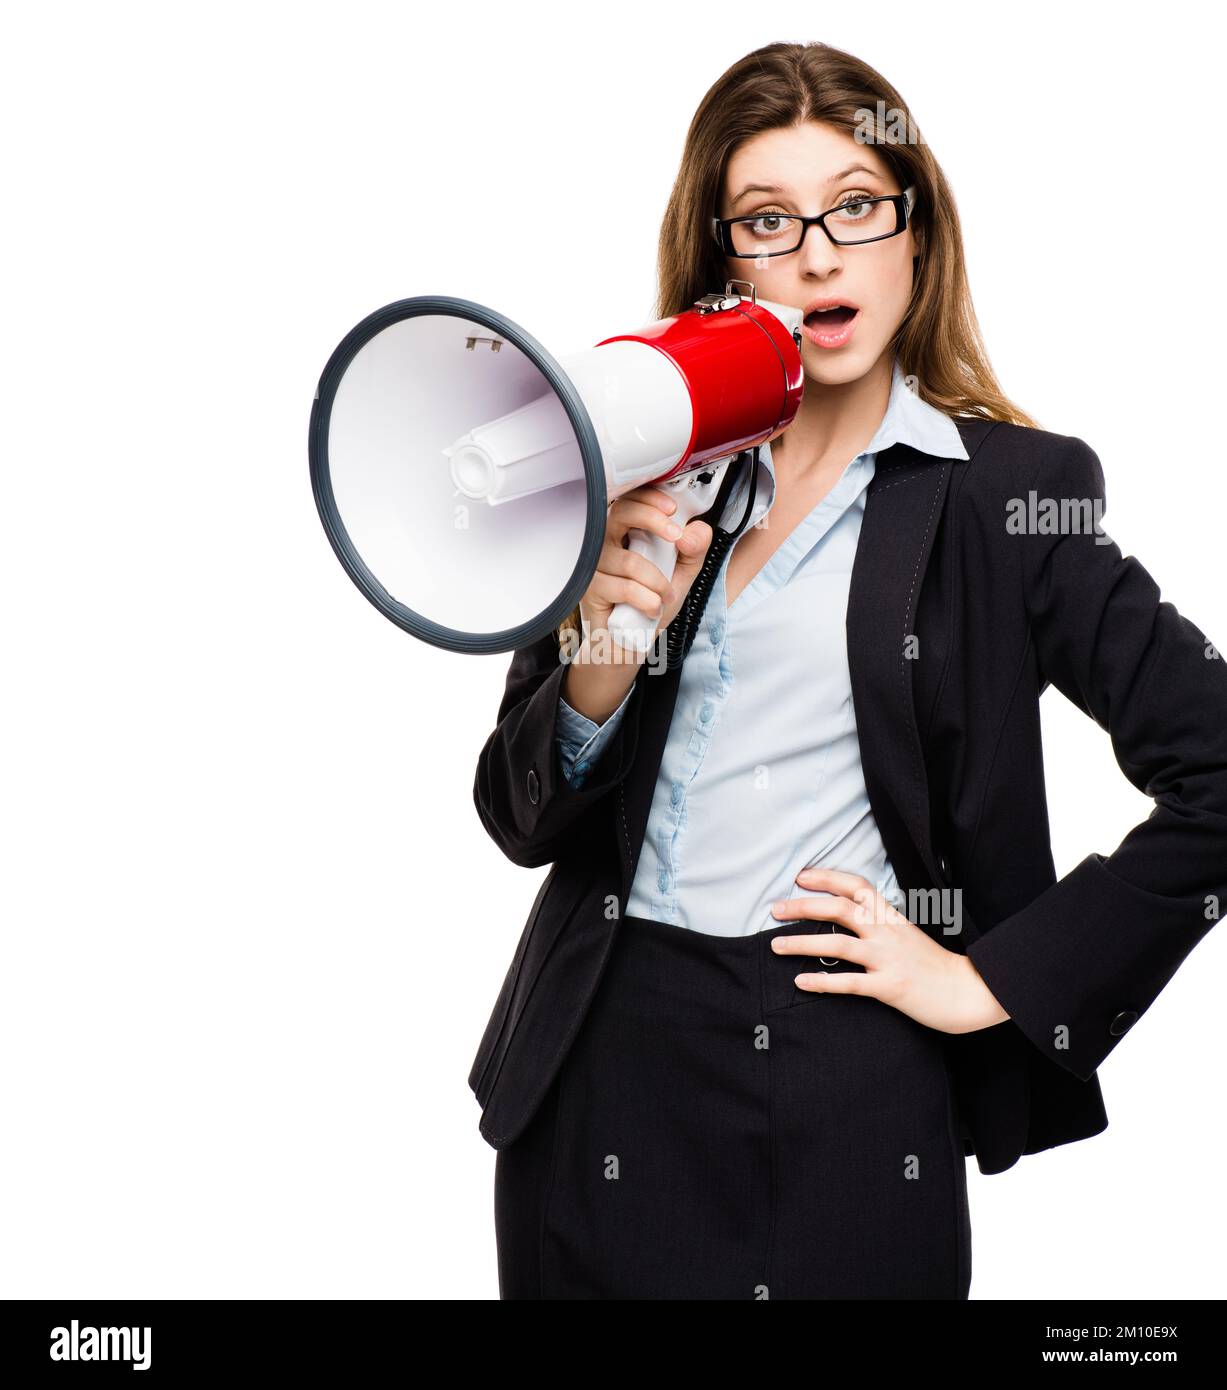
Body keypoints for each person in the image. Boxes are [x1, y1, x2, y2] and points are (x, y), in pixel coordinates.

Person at [468, 40, 1227, 1299]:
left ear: (915, 238)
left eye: (857, 206)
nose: (819, 251)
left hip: (846, 1082)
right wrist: (602, 665)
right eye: (769, 220)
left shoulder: (1011, 503)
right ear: (725, 265)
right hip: (602, 1062)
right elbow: (518, 816)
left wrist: (991, 980)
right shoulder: (641, 472)